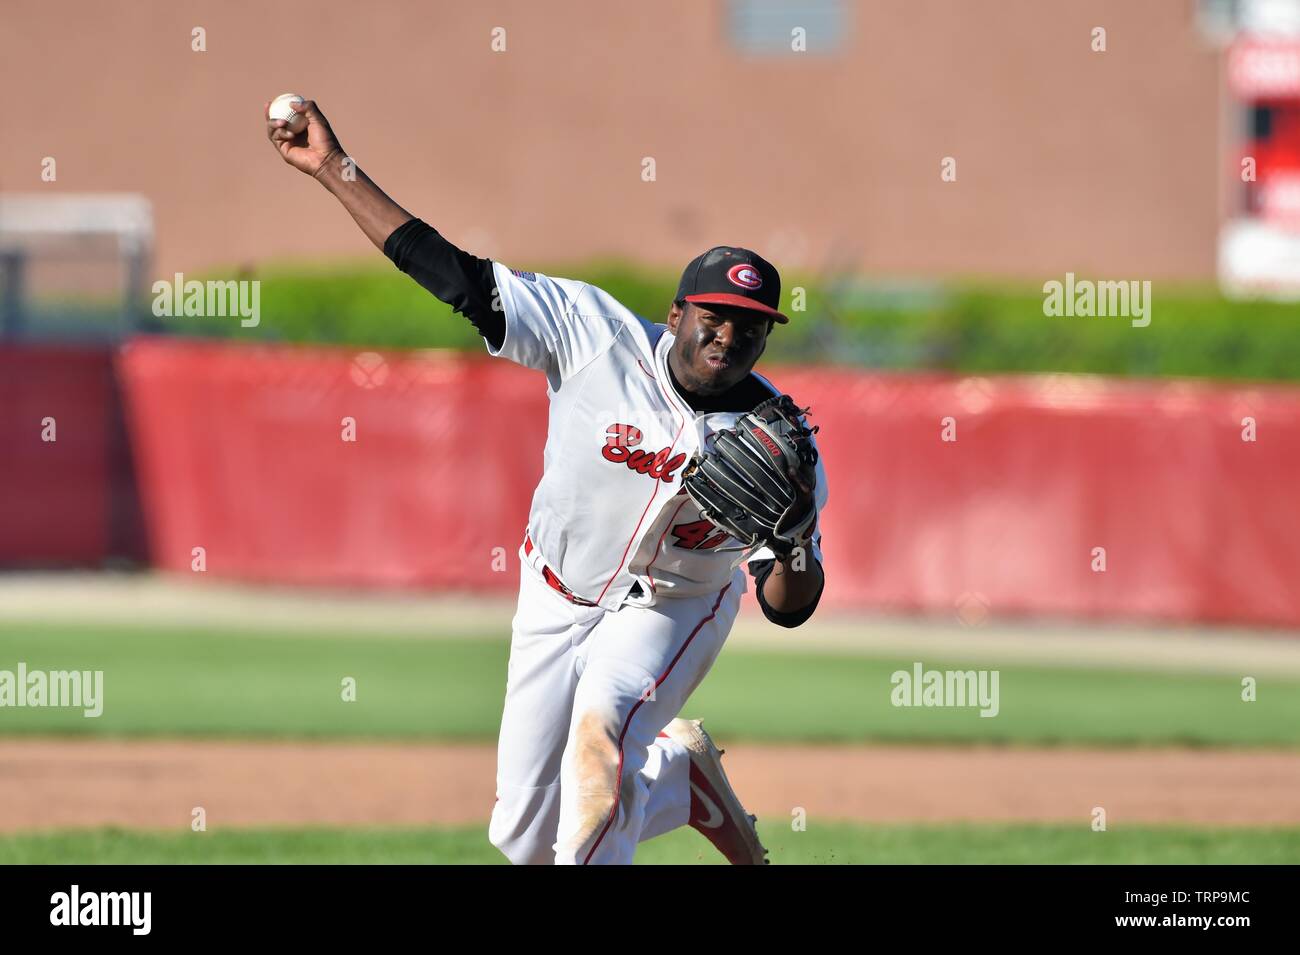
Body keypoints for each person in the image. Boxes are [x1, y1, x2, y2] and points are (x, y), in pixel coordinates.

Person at [266, 99, 829, 865]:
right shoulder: (589, 331)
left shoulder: (779, 443)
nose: (730, 333)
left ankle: (643, 780)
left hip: (671, 609)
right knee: (524, 838)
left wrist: (792, 540)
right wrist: (335, 169)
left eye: (752, 323)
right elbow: (456, 277)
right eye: (715, 314)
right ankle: (679, 781)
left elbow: (788, 607)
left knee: (597, 749)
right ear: (675, 313)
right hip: (554, 592)